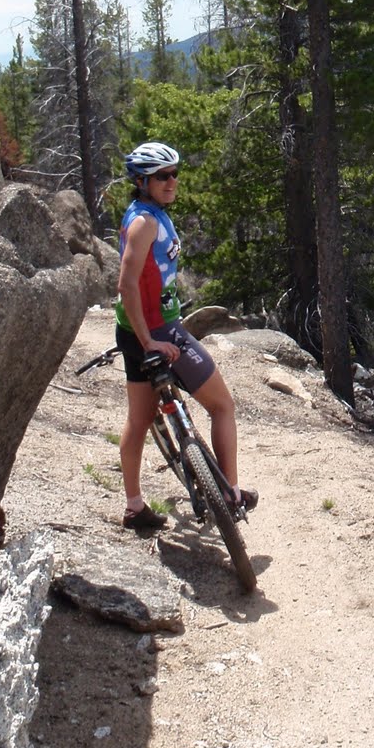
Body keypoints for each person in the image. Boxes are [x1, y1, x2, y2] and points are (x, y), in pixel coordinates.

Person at [114, 141, 257, 532]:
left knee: (139, 420)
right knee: (222, 405)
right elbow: (126, 285)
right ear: (142, 181)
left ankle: (134, 506)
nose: (172, 181)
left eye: (175, 173)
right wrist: (150, 342)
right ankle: (231, 493)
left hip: (137, 330)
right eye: (162, 176)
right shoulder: (146, 223)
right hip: (158, 331)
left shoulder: (147, 214)